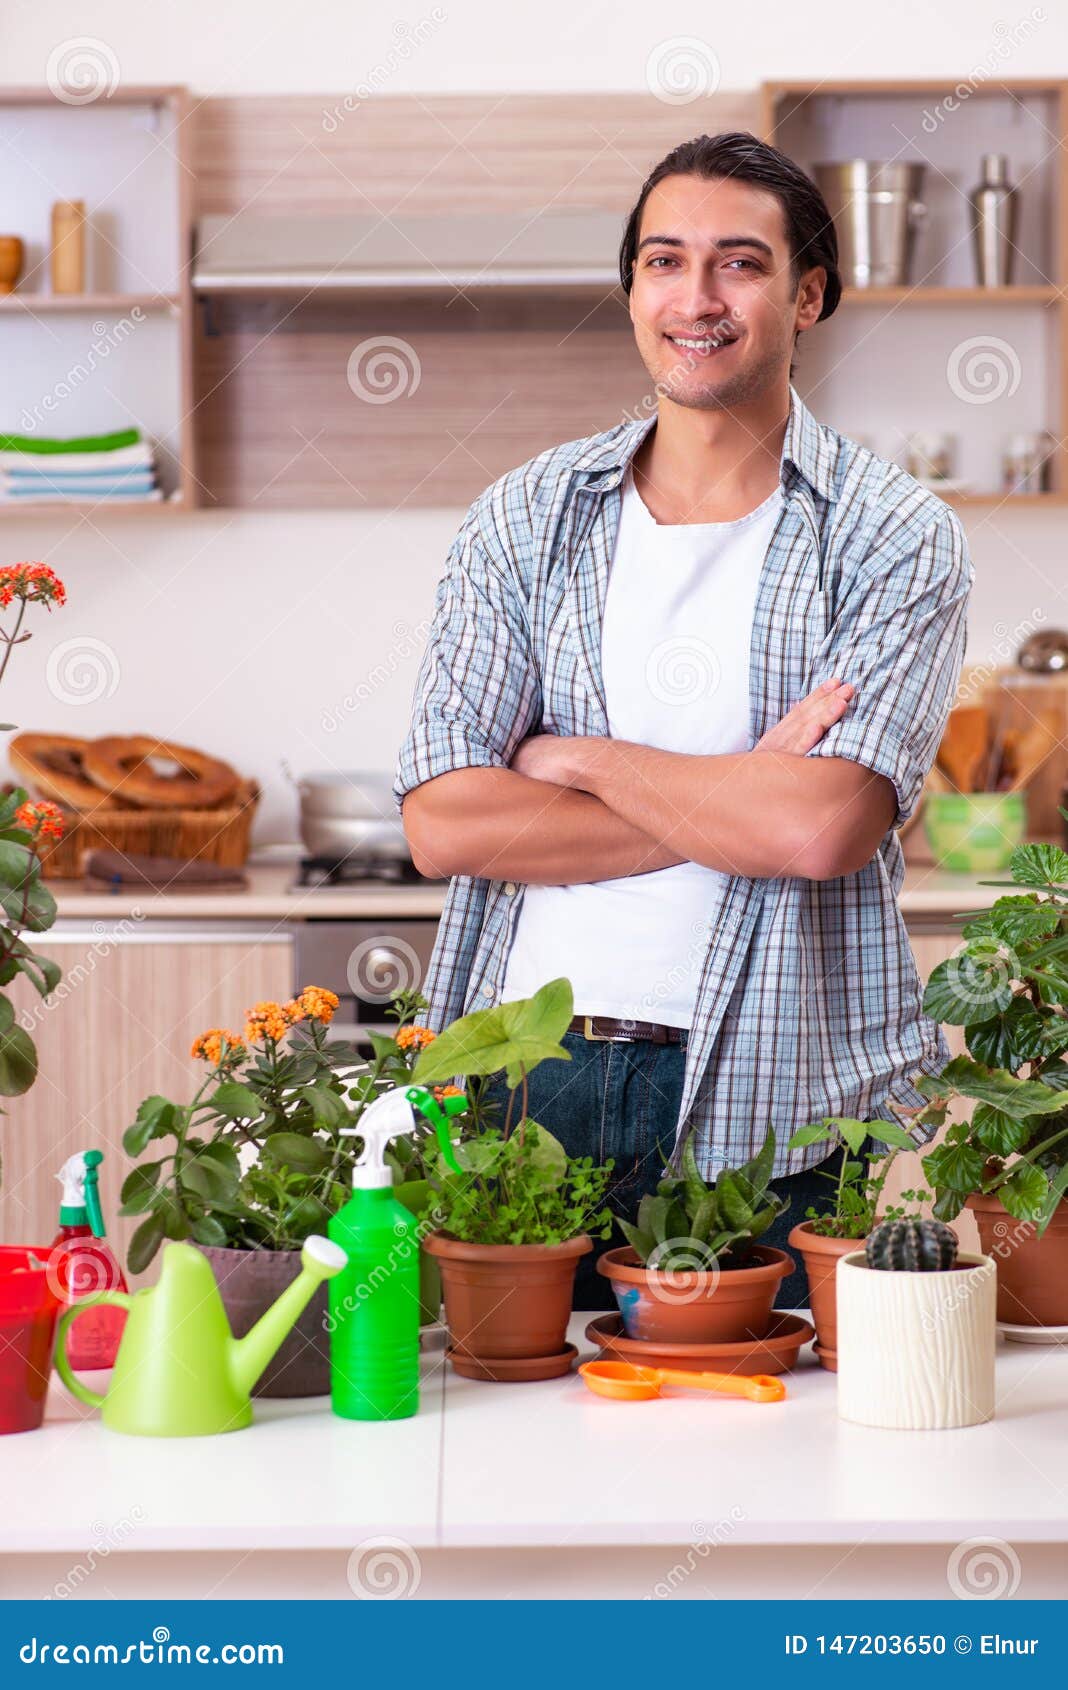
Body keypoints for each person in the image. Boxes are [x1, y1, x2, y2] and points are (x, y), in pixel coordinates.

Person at [394, 130, 973, 1309]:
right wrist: (741, 790)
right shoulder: (528, 516)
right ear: (632, 291)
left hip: (777, 1095)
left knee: (780, 1415)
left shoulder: (892, 535)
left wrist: (575, 759)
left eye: (739, 264)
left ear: (807, 296)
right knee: (516, 1412)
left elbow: (821, 830)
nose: (696, 298)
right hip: (529, 1081)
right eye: (665, 261)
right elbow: (445, 824)